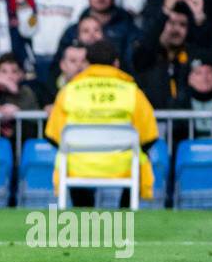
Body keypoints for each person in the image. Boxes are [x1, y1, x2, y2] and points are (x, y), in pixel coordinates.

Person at [45, 39, 160, 205]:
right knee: (141, 156)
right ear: (116, 63)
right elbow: (149, 136)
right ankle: (125, 213)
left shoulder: (69, 92)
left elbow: (54, 136)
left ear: (87, 63)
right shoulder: (132, 92)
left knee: (65, 154)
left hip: (79, 166)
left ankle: (83, 209)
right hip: (122, 166)